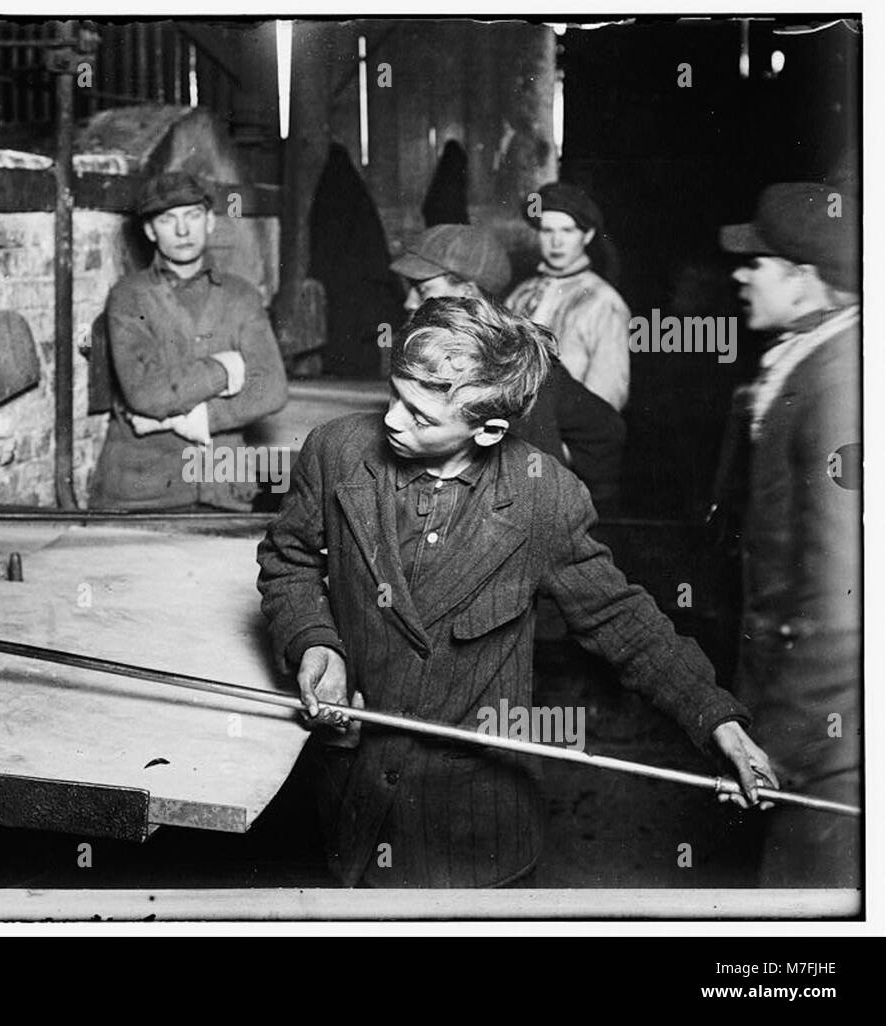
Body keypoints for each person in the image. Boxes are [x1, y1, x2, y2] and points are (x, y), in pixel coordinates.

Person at [256, 293, 776, 888]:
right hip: (344, 791)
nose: (394, 421)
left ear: (489, 429)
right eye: (394, 395)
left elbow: (624, 621)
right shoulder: (337, 451)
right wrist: (314, 640)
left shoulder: (542, 498)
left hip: (470, 821)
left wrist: (718, 723)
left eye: (421, 416)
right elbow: (288, 557)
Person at [717, 181, 861, 888]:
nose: (740, 276)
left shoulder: (841, 386)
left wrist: (779, 745)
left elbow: (845, 602)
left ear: (804, 282)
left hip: (833, 747)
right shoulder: (806, 361)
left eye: (758, 263)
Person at [391, 224, 625, 512]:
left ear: (465, 293)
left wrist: (568, 475)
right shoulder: (442, 362)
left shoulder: (510, 371)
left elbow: (600, 433)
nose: (410, 301)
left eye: (422, 288)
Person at [90, 171, 288, 509]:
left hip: (225, 482)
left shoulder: (241, 295)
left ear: (210, 221)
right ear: (150, 231)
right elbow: (145, 394)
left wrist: (193, 421)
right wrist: (223, 370)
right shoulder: (129, 297)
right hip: (145, 490)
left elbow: (271, 388)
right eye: (168, 220)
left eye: (193, 216)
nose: (183, 231)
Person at [505, 182, 631, 412]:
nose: (556, 242)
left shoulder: (603, 301)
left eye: (567, 231)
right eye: (547, 231)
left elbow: (608, 395)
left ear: (588, 235)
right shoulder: (522, 293)